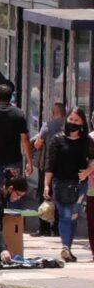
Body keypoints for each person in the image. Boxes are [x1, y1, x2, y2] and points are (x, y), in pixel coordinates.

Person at [47, 110, 91, 265]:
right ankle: (65, 246)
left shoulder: (87, 141)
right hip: (60, 184)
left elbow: (93, 159)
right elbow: (50, 164)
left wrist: (87, 172)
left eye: (77, 120)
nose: (73, 122)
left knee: (73, 216)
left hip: (79, 185)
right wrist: (46, 185)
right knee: (65, 215)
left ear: (82, 123)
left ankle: (68, 248)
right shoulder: (57, 139)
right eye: (71, 119)